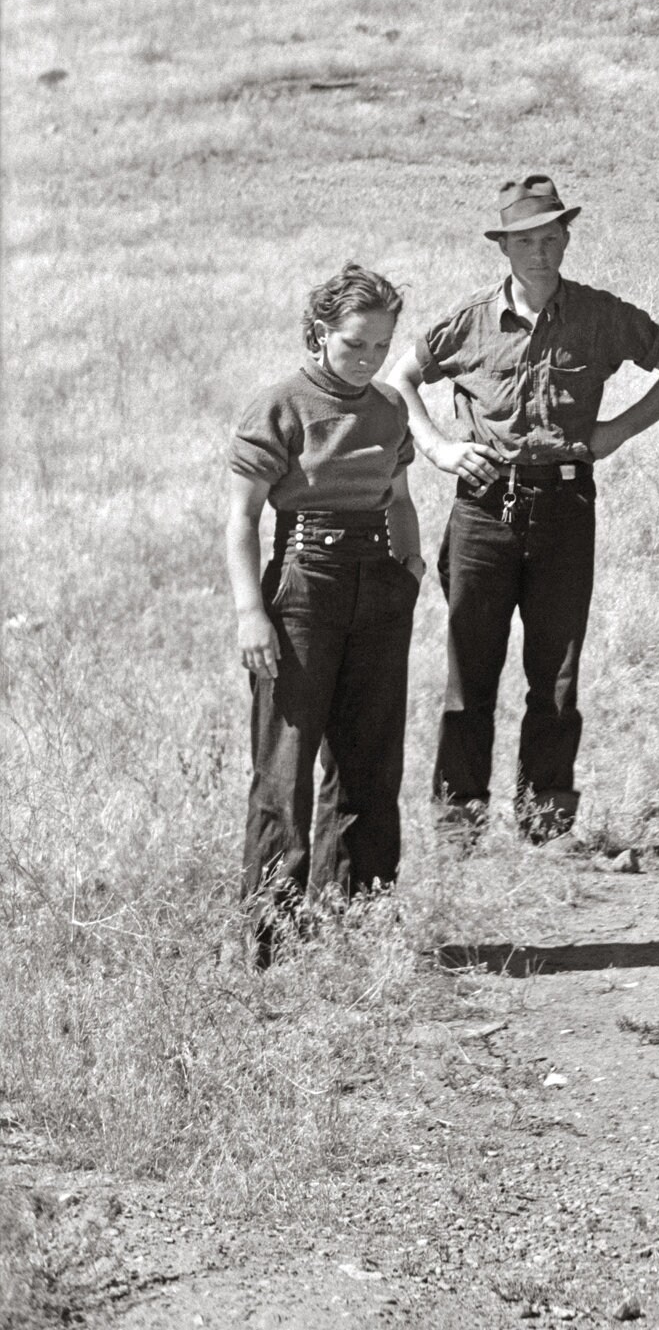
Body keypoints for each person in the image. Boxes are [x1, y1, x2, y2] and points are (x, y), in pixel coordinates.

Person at [385, 175, 659, 847]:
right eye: (525, 242)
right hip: (482, 511)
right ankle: (460, 828)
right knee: (470, 674)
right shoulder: (470, 320)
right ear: (503, 247)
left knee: (556, 675)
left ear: (566, 240)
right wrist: (438, 448)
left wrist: (618, 430)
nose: (539, 253)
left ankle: (546, 827)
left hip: (564, 506)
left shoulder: (600, 315)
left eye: (551, 239)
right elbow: (399, 379)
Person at [224, 265, 424, 960]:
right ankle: (270, 941)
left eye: (381, 346)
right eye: (354, 344)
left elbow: (400, 499)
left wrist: (410, 568)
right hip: (304, 585)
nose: (369, 359)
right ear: (318, 334)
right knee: (285, 765)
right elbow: (242, 519)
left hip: (380, 584)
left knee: (371, 761)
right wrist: (251, 612)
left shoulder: (389, 408)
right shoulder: (280, 406)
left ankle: (354, 924)